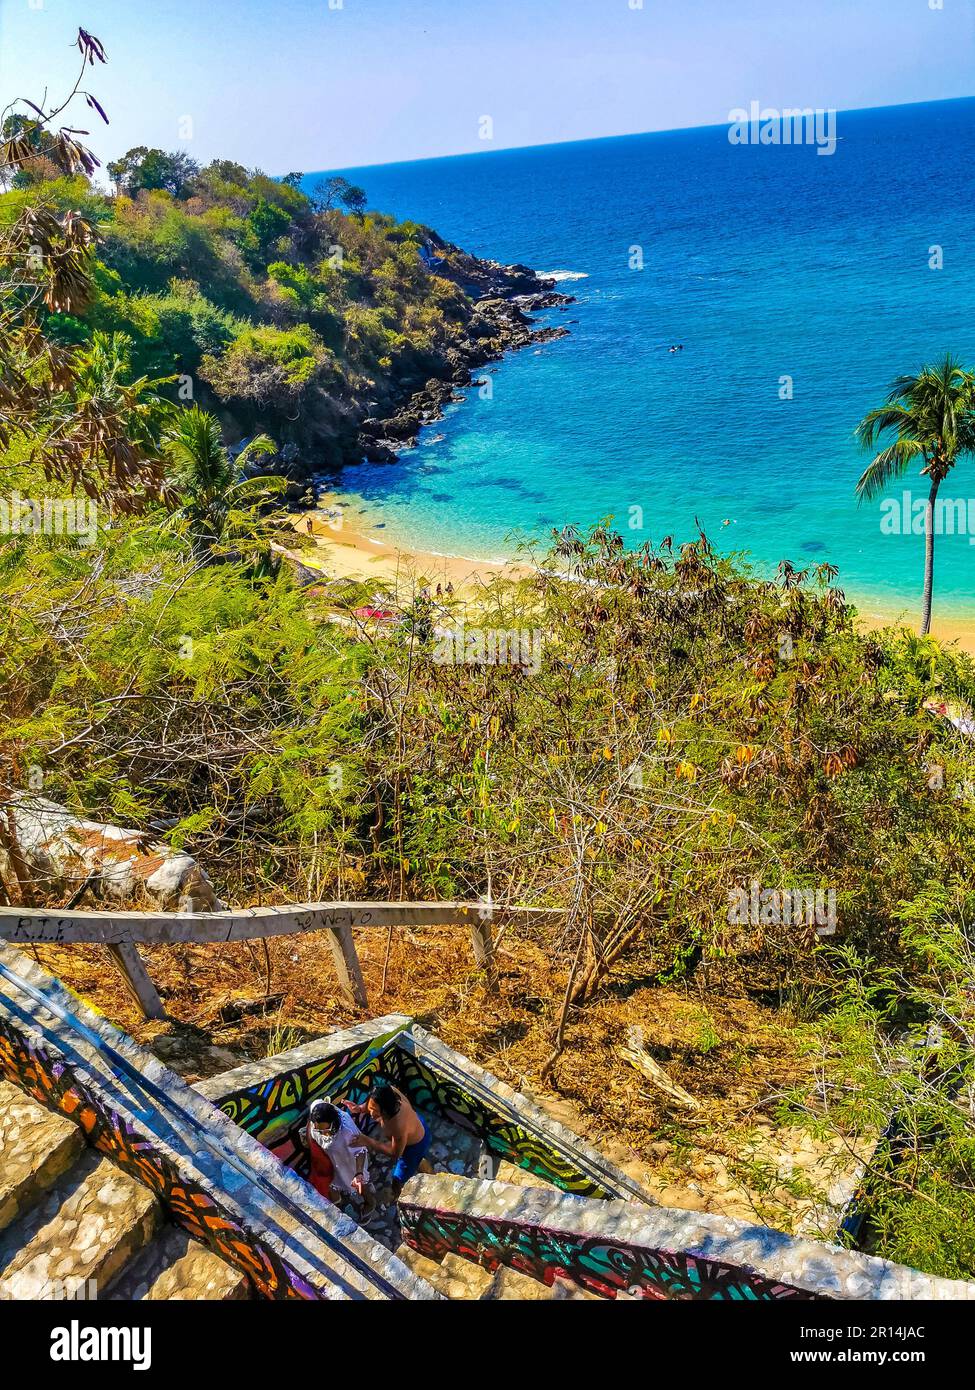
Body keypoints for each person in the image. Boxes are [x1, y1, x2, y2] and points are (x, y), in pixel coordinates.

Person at [349, 1082, 430, 1199]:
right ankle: (420, 1162)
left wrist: (368, 1141)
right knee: (417, 1160)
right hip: (417, 1124)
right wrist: (360, 1108)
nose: (371, 1113)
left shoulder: (398, 1126)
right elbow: (372, 1101)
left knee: (398, 1179)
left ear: (386, 1110)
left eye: (374, 1110)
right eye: (370, 1108)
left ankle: (398, 1196)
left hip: (415, 1145)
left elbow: (395, 1153)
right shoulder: (390, 1093)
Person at [301, 1099, 376, 1216]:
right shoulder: (317, 1108)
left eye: (326, 1130)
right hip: (334, 1161)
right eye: (318, 1130)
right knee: (334, 1184)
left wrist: (359, 1173)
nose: (322, 1134)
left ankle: (370, 1202)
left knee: (360, 1185)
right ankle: (338, 1202)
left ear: (334, 1123)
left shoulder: (347, 1132)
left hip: (350, 1162)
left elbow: (360, 1150)